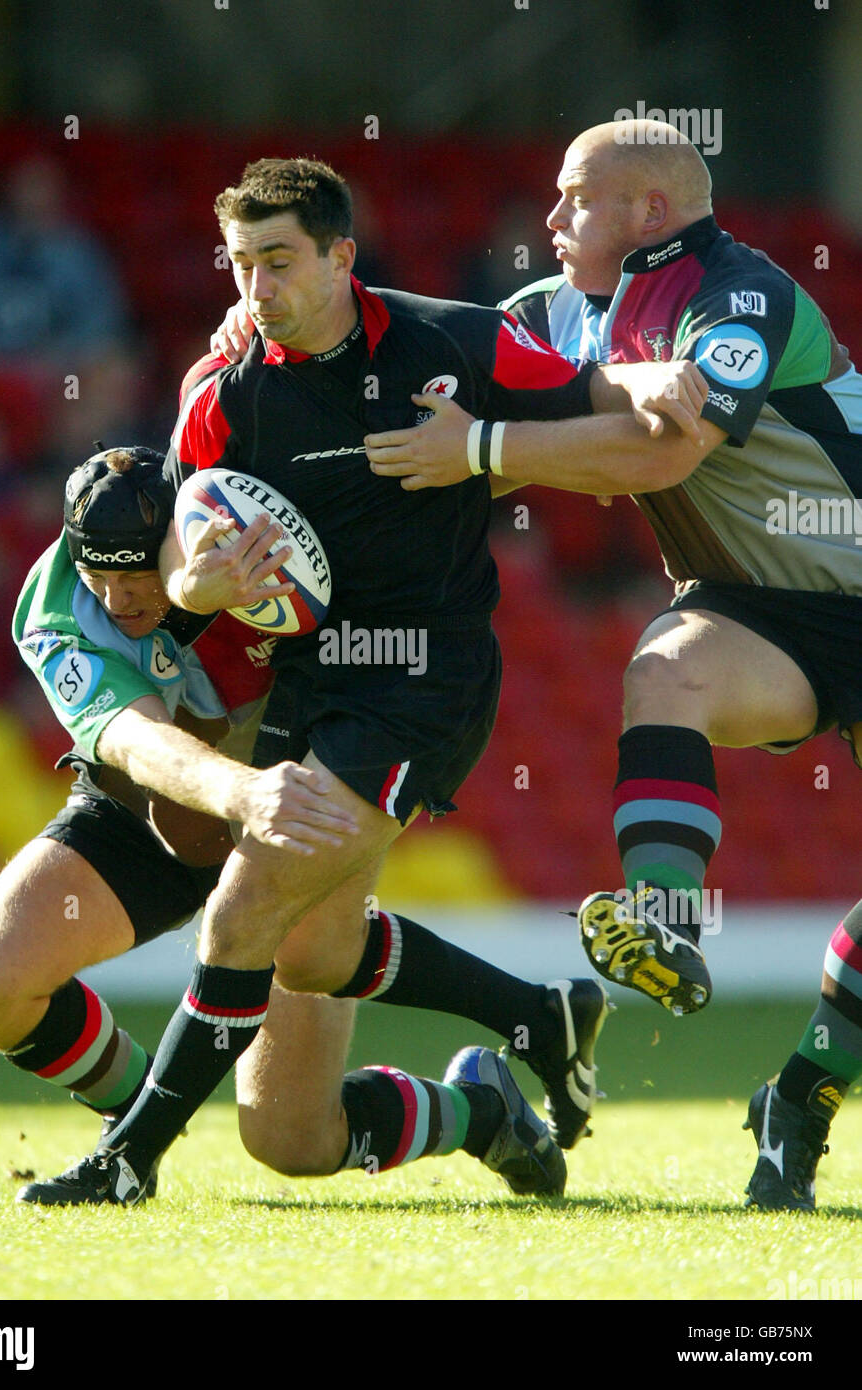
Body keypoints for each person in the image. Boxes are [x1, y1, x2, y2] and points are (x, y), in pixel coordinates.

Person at [18, 155, 710, 1207]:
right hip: (304, 687)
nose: (256, 288)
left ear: (343, 256)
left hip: (422, 680)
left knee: (241, 913)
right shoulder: (222, 389)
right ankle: (536, 1024)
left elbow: (613, 417)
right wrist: (192, 577)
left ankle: (127, 1160)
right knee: (309, 973)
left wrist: (489, 444)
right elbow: (182, 551)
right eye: (241, 264)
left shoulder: (452, 343)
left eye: (280, 261)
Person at [364, 120, 862, 1212]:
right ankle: (665, 923)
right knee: (664, 670)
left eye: (572, 198)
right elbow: (433, 389)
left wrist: (484, 452)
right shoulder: (546, 313)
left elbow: (667, 449)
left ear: (648, 208)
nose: (547, 221)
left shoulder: (741, 295)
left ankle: (802, 1096)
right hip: (753, 605)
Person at [0, 442, 611, 1205]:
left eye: (135, 574)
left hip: (298, 773)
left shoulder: (257, 530)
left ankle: (481, 1111)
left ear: (181, 533)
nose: (117, 598)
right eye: (99, 572)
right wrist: (242, 794)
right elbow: (137, 741)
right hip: (159, 806)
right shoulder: (57, 603)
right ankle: (141, 1116)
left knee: (292, 1137)